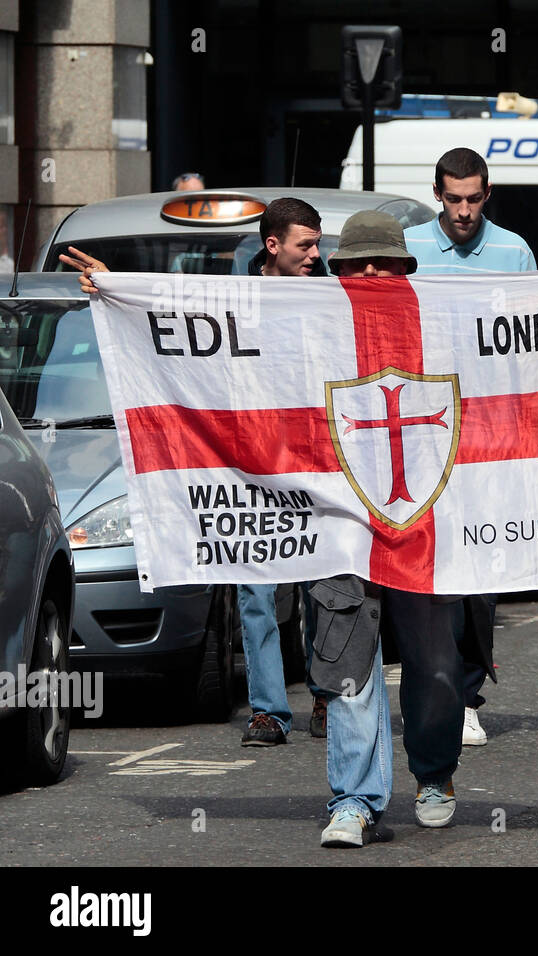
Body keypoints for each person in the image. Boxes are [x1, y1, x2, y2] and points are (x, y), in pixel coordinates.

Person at [59, 197, 332, 744]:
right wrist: (116, 287)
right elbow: (165, 311)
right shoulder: (229, 297)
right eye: (306, 245)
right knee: (256, 588)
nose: (316, 254)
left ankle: (327, 698)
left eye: (318, 244)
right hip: (251, 468)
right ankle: (268, 711)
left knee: (323, 585)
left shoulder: (329, 295)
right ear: (272, 245)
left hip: (317, 461)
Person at [317, 210, 468, 847]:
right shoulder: (311, 324)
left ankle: (433, 770)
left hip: (425, 526)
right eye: (359, 263)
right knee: (348, 670)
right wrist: (120, 294)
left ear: (407, 268)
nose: (373, 273)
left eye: (385, 261)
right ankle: (353, 800)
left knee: (435, 670)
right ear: (339, 270)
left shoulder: (445, 321)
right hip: (343, 525)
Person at [403, 147, 536, 747]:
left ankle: (467, 691)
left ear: (488, 195)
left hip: (487, 436)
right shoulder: (407, 247)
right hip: (416, 432)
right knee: (424, 572)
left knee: (477, 572)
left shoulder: (513, 251)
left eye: (474, 198)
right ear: (437, 194)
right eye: (453, 198)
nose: (463, 210)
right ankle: (432, 686)